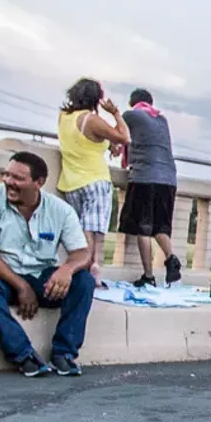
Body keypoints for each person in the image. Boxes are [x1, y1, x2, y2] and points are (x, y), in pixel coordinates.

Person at [0, 152, 97, 377]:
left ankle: (64, 354)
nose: (8, 181)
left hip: (40, 277)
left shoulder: (60, 210)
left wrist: (66, 269)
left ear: (38, 182)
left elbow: (82, 253)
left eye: (18, 178)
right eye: (7, 175)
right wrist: (21, 286)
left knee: (84, 281)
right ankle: (23, 354)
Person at [57, 78, 130, 283]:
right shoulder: (91, 120)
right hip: (95, 179)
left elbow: (85, 140)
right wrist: (115, 113)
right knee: (92, 229)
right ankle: (90, 269)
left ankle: (88, 266)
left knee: (80, 229)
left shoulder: (64, 117)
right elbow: (125, 137)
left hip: (71, 181)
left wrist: (108, 145)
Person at [116, 89, 183, 287]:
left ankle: (148, 276)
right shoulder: (161, 119)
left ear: (132, 102)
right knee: (160, 226)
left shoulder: (131, 115)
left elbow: (120, 135)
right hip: (168, 178)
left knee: (143, 229)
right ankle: (171, 258)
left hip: (145, 177)